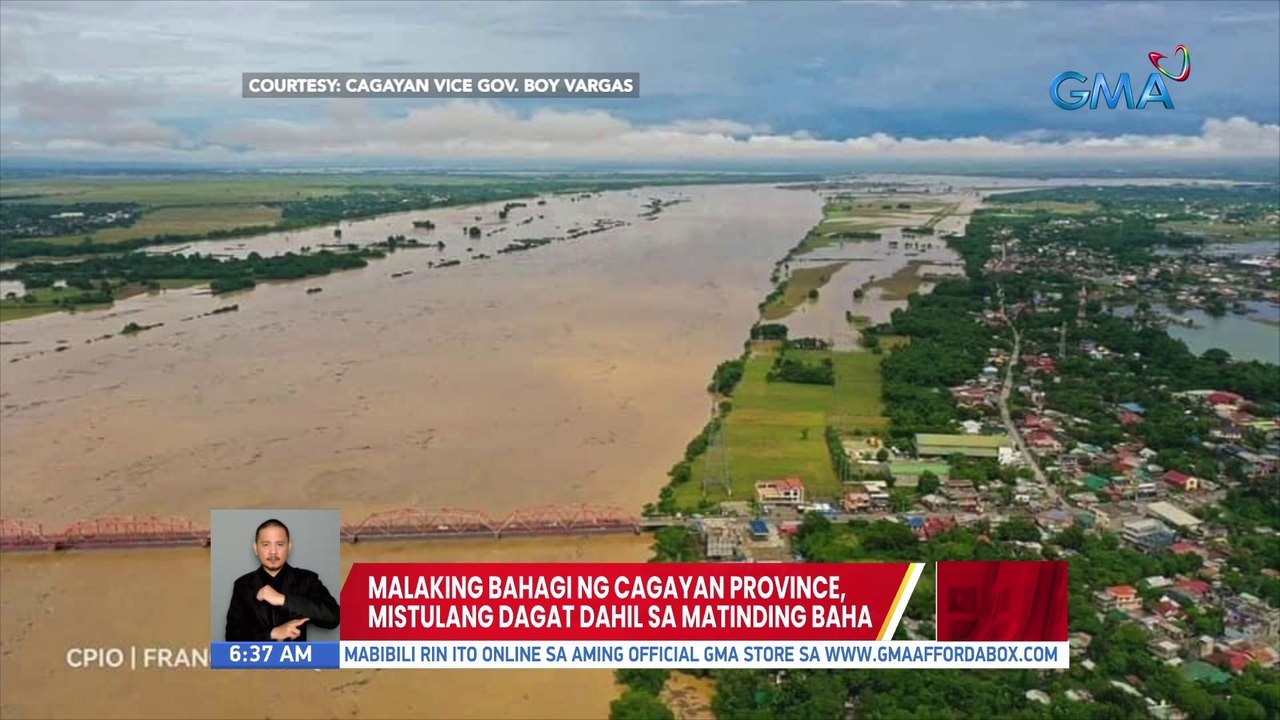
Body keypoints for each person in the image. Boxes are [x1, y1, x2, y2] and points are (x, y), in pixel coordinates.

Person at [225, 518, 341, 642]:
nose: (273, 552)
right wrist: (273, 633)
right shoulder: (242, 585)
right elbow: (232, 638)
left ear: (289, 548)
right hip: (256, 661)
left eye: (280, 544)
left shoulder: (307, 580)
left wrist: (283, 600)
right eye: (265, 545)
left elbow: (333, 617)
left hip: (296, 659)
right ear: (256, 549)